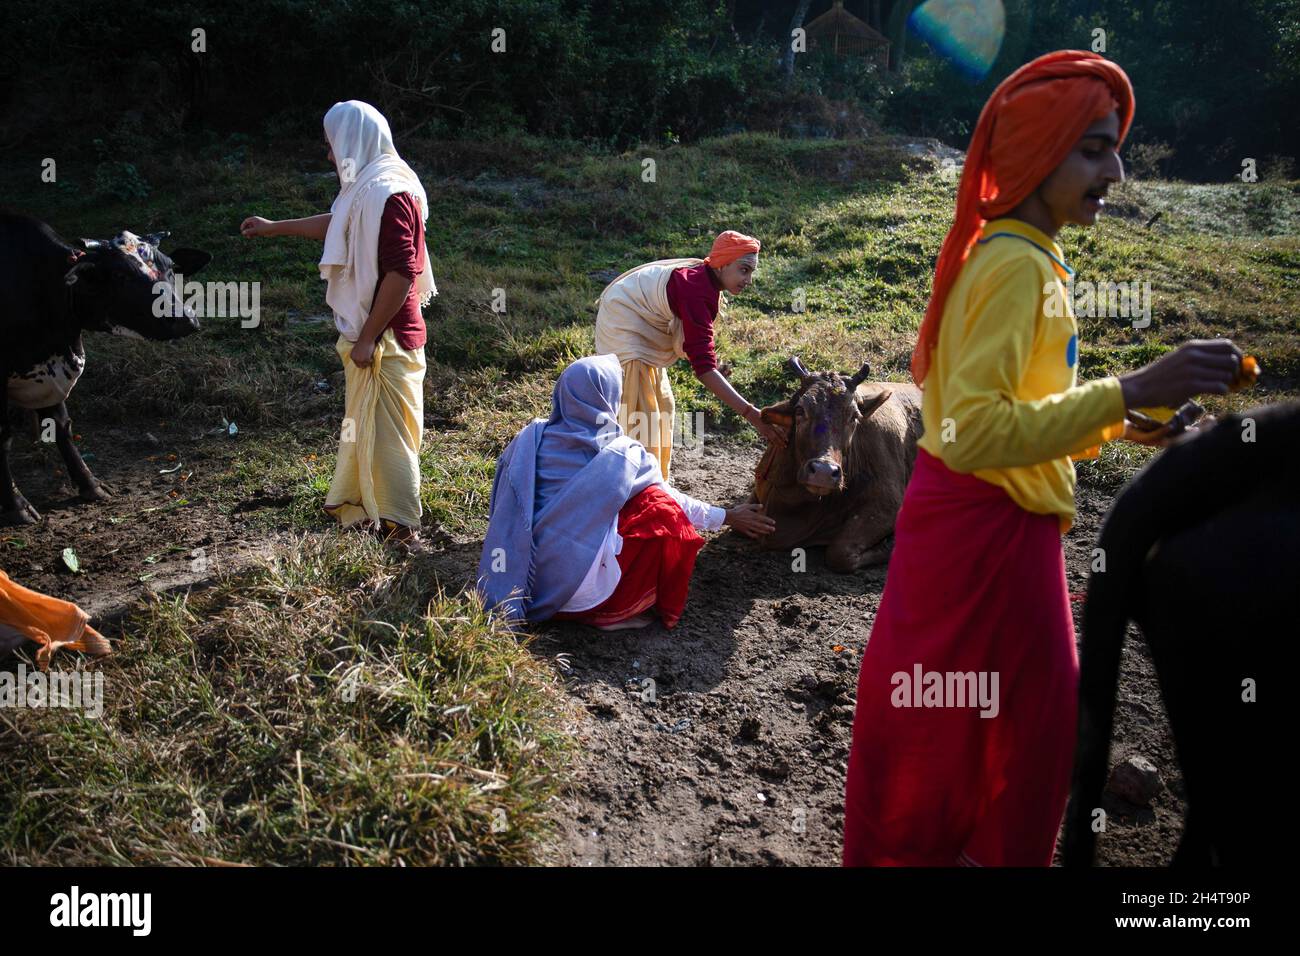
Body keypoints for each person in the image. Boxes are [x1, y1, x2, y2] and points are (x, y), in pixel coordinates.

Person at [842, 50, 1246, 867]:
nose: (1118, 169)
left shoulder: (1029, 257)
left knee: (996, 732)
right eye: (1095, 148)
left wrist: (1134, 419)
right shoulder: (1013, 267)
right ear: (1036, 156)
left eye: (1114, 147)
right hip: (982, 539)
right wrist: (1131, 386)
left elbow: (1014, 411)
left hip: (1003, 532)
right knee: (1010, 735)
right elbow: (972, 433)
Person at [240, 100, 436, 550]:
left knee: (391, 437)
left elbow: (402, 274)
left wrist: (369, 337)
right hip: (371, 335)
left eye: (331, 145)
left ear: (352, 142)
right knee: (364, 427)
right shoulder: (365, 187)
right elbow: (340, 227)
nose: (329, 155)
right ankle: (365, 509)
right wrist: (274, 228)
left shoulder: (392, 192)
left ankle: (402, 529)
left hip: (389, 338)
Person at [477, 354, 774, 629]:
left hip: (519, 581)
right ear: (608, 399)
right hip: (581, 597)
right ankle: (616, 612)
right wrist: (728, 516)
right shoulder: (621, 454)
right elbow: (674, 501)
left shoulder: (529, 438)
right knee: (660, 509)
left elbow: (501, 502)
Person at [593, 231, 786, 481]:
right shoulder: (696, 288)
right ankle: (628, 483)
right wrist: (752, 415)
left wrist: (713, 368)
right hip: (625, 324)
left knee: (662, 406)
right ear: (723, 264)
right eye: (744, 270)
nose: (748, 280)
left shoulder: (705, 283)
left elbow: (698, 350)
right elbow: (703, 369)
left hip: (641, 329)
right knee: (639, 414)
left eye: (751, 272)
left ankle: (653, 480)